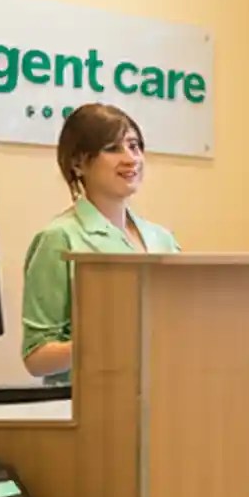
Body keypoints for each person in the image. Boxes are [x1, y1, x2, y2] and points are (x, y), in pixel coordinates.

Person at [21, 103, 180, 385]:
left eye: (134, 146)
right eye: (112, 148)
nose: (131, 158)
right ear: (78, 163)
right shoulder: (59, 238)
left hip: (163, 395)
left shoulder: (162, 239)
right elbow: (37, 358)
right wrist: (104, 343)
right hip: (89, 401)